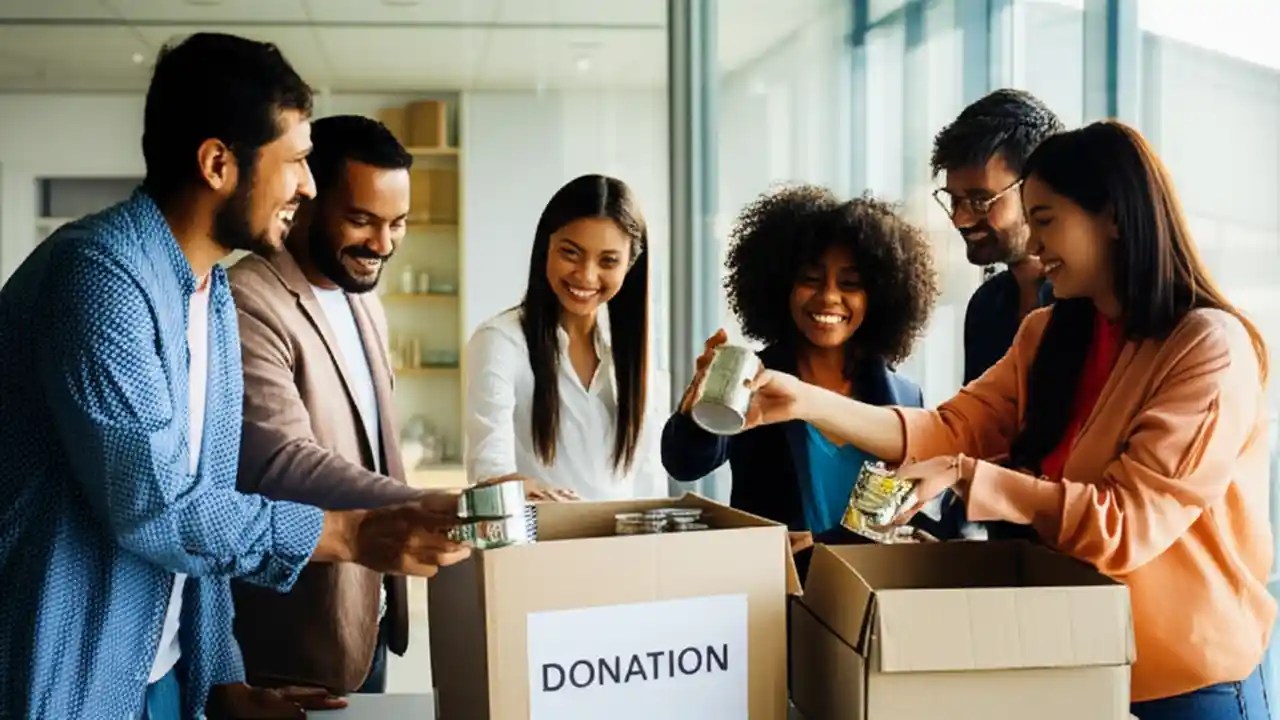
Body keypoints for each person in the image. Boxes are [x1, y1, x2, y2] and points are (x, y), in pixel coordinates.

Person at [0, 33, 469, 720]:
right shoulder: (97, 276)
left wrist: (221, 679)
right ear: (218, 162)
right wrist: (347, 534)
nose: (308, 187)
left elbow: (207, 498)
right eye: (298, 162)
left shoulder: (211, 297)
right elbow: (154, 504)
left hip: (164, 678)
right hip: (71, 680)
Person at [742, 120, 1273, 719]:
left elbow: (1125, 527)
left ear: (1115, 218)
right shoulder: (1047, 333)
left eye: (1045, 220)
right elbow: (948, 429)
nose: (1035, 243)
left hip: (1193, 685)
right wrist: (803, 400)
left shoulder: (1208, 348)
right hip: (1076, 664)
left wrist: (971, 477)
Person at [228, 115, 428, 696]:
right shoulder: (249, 297)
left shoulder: (364, 303)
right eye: (362, 220)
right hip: (294, 639)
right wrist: (428, 503)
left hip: (368, 616)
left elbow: (371, 445)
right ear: (307, 199)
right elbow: (282, 460)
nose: (383, 244)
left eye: (398, 224)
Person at [662, 187, 940, 574]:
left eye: (849, 284)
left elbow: (903, 515)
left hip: (871, 596)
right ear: (782, 288)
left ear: (880, 295)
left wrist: (826, 545)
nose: (828, 297)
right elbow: (685, 463)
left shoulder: (904, 397)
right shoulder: (756, 379)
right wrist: (700, 402)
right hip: (773, 596)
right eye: (811, 278)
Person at [464, 174, 665, 500]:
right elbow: (489, 473)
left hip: (625, 547)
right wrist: (518, 488)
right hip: (541, 546)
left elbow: (649, 484)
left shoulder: (633, 353)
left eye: (608, 261)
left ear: (630, 265)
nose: (586, 275)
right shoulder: (500, 342)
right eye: (571, 253)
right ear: (546, 248)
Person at [931, 88, 1063, 384]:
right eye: (954, 200)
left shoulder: (1094, 304)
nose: (959, 219)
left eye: (980, 201)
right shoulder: (986, 306)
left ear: (1037, 189)